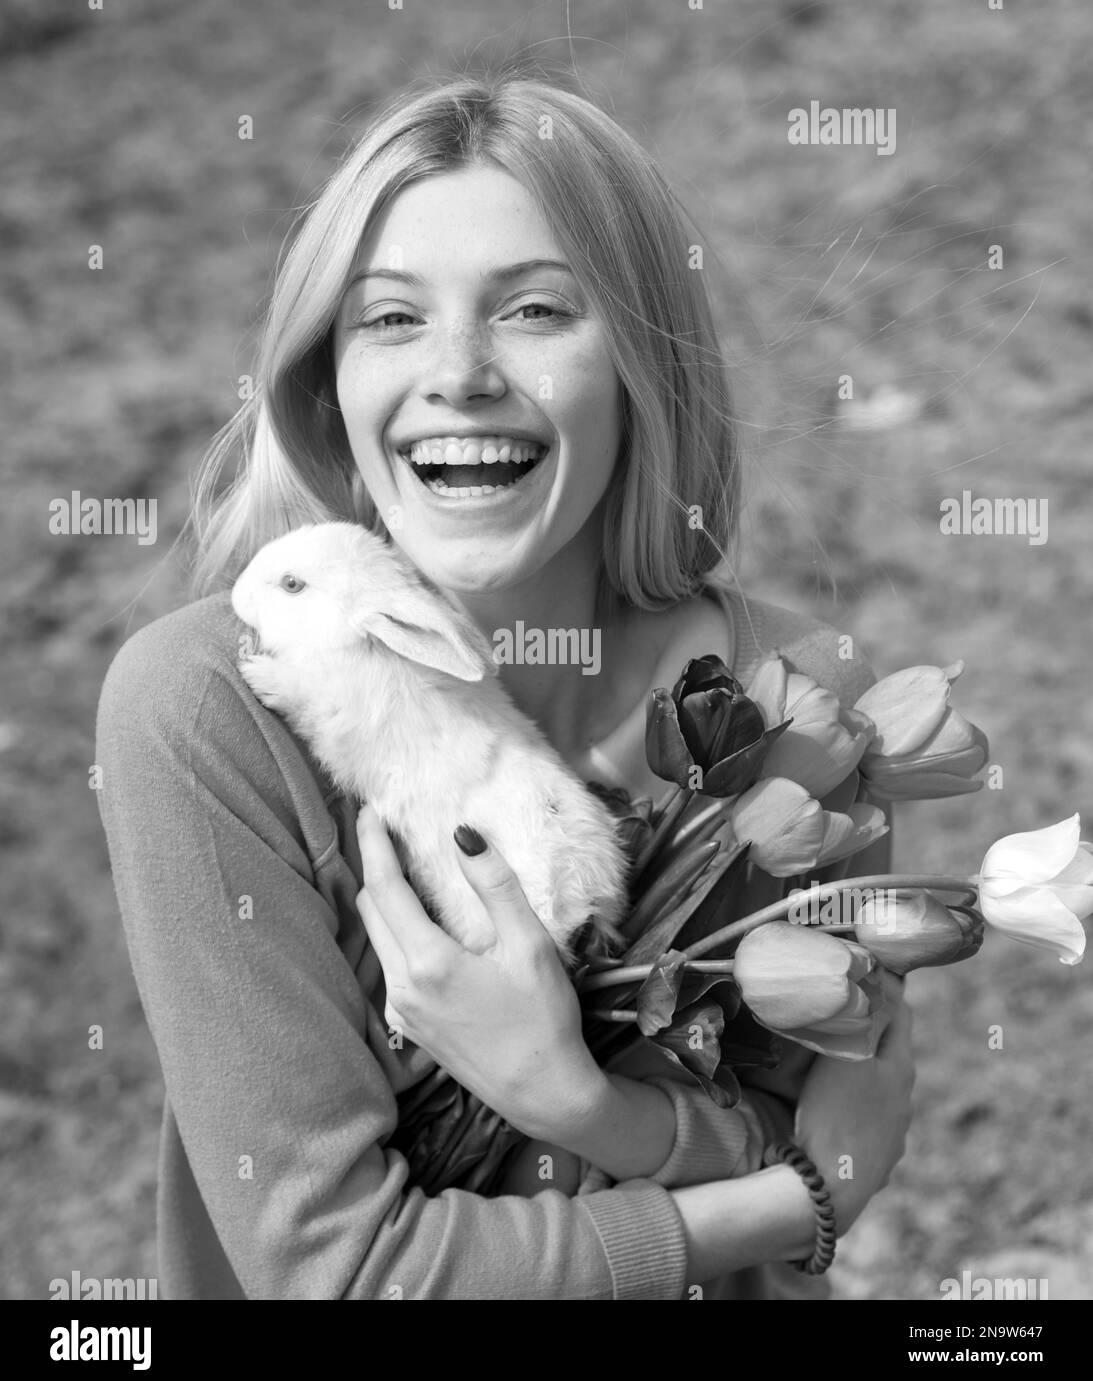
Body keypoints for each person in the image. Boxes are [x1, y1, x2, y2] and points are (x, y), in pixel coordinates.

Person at [95, 67, 913, 1300]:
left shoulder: (795, 705)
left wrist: (574, 1099)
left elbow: (848, 1137)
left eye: (535, 311)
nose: (461, 372)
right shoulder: (209, 706)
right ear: (329, 382)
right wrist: (764, 1201)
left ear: (642, 357)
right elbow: (343, 1271)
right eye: (389, 318)